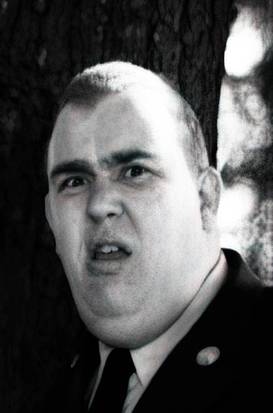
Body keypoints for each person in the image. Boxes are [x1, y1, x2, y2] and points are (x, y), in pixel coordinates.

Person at [43, 61, 273, 412]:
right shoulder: (54, 386)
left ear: (205, 199)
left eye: (135, 171)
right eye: (75, 181)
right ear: (52, 221)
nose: (100, 205)